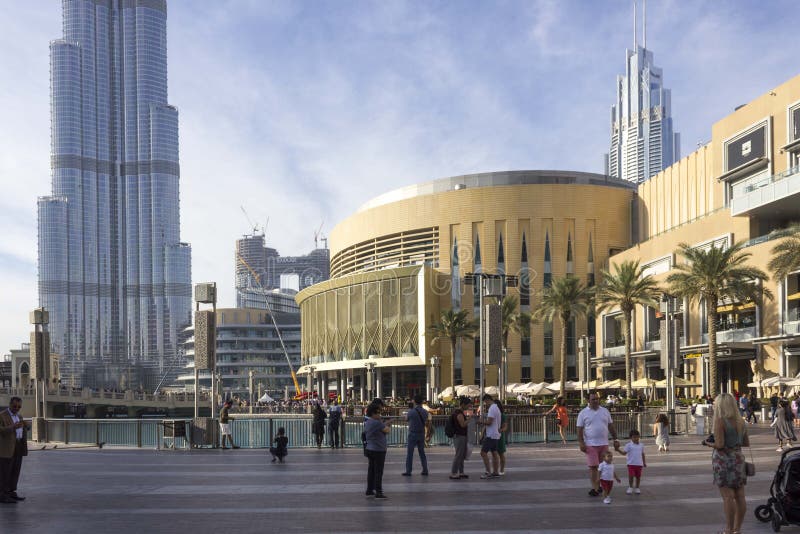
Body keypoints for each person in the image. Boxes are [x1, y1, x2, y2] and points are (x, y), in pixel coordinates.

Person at [703, 392, 749, 534]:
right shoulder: (741, 421)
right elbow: (746, 443)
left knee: (728, 497)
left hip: (724, 461)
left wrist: (708, 443)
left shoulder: (720, 421)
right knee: (740, 496)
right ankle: (737, 529)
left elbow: (720, 444)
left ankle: (728, 530)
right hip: (738, 459)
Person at [577, 392, 620, 497]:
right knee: (593, 467)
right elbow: (579, 430)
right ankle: (595, 488)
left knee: (603, 466)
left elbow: (610, 426)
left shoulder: (605, 411)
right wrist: (581, 443)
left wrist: (616, 439)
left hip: (604, 443)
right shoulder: (583, 413)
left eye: (597, 399)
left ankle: (600, 485)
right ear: (588, 401)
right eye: (593, 399)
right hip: (590, 444)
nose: (596, 401)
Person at [0, 397, 27, 504]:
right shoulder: (2, 415)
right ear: (10, 404)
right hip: (6, 448)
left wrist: (26, 426)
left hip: (18, 445)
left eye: (19, 407)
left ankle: (11, 492)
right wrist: (12, 427)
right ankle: (2, 494)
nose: (17, 408)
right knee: (5, 472)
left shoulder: (19, 416)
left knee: (15, 471)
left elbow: (21, 429)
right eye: (14, 406)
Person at [364, 402, 391, 499]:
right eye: (378, 413)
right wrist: (388, 424)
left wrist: (383, 424)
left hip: (370, 449)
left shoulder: (368, 422)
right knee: (378, 472)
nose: (380, 415)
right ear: (373, 413)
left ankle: (369, 490)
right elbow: (387, 431)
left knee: (371, 471)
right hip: (378, 450)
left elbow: (379, 430)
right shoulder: (377, 422)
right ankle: (379, 492)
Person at [402, 394, 429, 476]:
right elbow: (426, 420)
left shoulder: (411, 412)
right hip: (421, 434)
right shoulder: (425, 412)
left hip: (413, 434)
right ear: (421, 402)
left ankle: (408, 471)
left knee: (410, 453)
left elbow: (406, 419)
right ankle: (425, 469)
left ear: (414, 401)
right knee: (422, 453)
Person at [615, 429, 646, 494]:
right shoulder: (628, 445)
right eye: (634, 437)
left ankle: (637, 488)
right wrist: (618, 450)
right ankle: (630, 487)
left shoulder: (641, 445)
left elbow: (642, 454)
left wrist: (644, 462)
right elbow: (624, 453)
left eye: (637, 437)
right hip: (631, 464)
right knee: (631, 476)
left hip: (639, 464)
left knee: (638, 477)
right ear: (631, 438)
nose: (636, 438)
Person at [479, 394, 502, 479]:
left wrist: (481, 422)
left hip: (491, 435)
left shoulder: (492, 408)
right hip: (495, 434)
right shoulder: (496, 407)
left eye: (485, 402)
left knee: (483, 453)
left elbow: (489, 422)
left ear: (487, 400)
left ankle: (488, 472)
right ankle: (495, 472)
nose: (485, 404)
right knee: (494, 453)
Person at [449, 396, 472, 480]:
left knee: (462, 455)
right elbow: (462, 424)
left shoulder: (460, 412)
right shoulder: (458, 413)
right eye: (467, 405)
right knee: (458, 455)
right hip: (459, 436)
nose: (468, 407)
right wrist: (469, 418)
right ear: (462, 404)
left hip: (462, 436)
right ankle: (454, 472)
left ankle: (461, 472)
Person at [495, 400, 508, 476]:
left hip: (500, 436)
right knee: (494, 454)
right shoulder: (493, 415)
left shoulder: (502, 415)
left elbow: (505, 427)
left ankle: (502, 470)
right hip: (493, 436)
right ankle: (496, 470)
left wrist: (500, 430)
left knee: (501, 454)